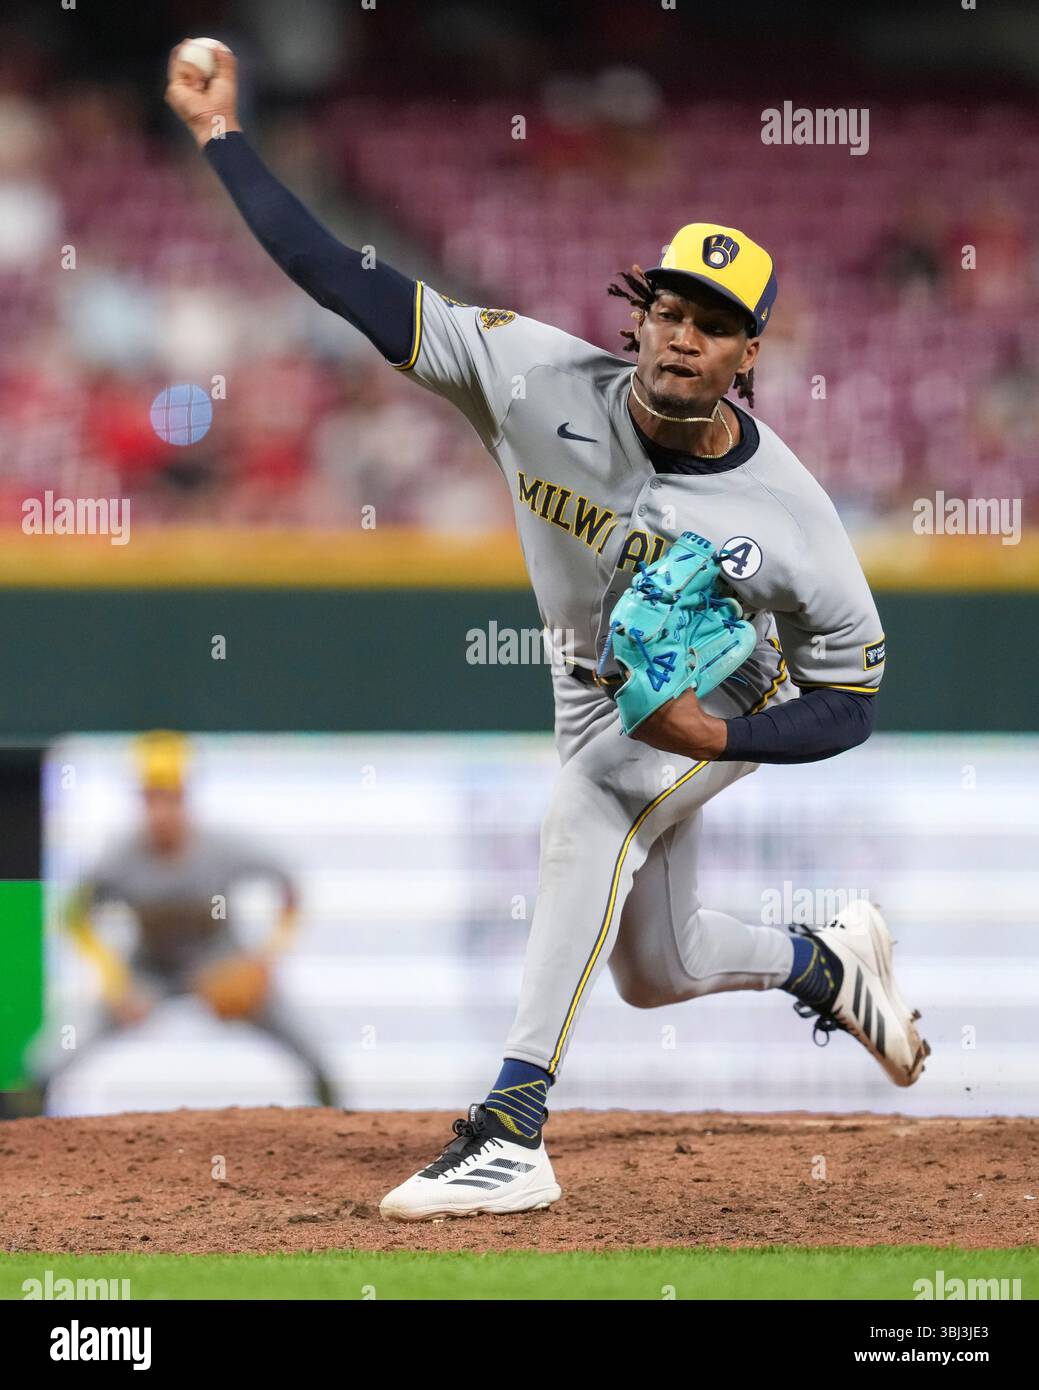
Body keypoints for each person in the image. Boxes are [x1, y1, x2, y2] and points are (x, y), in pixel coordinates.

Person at [165, 43, 928, 1222]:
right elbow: (332, 272)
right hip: (591, 687)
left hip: (718, 693)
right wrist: (223, 135)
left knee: (589, 804)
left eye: (714, 326)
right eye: (669, 309)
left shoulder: (794, 519)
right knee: (652, 968)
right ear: (640, 319)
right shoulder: (528, 375)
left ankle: (513, 1126)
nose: (683, 337)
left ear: (748, 355)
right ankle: (827, 964)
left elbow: (854, 704)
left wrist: (713, 739)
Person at [42, 731, 337, 1110]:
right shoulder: (119, 856)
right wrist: (115, 980)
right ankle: (22, 1128)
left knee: (309, 1049)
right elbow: (74, 916)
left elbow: (289, 888)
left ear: (186, 796)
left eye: (171, 796)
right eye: (152, 797)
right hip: (148, 969)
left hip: (218, 964)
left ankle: (335, 1121)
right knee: (57, 1056)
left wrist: (262, 961)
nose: (162, 810)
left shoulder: (221, 848)